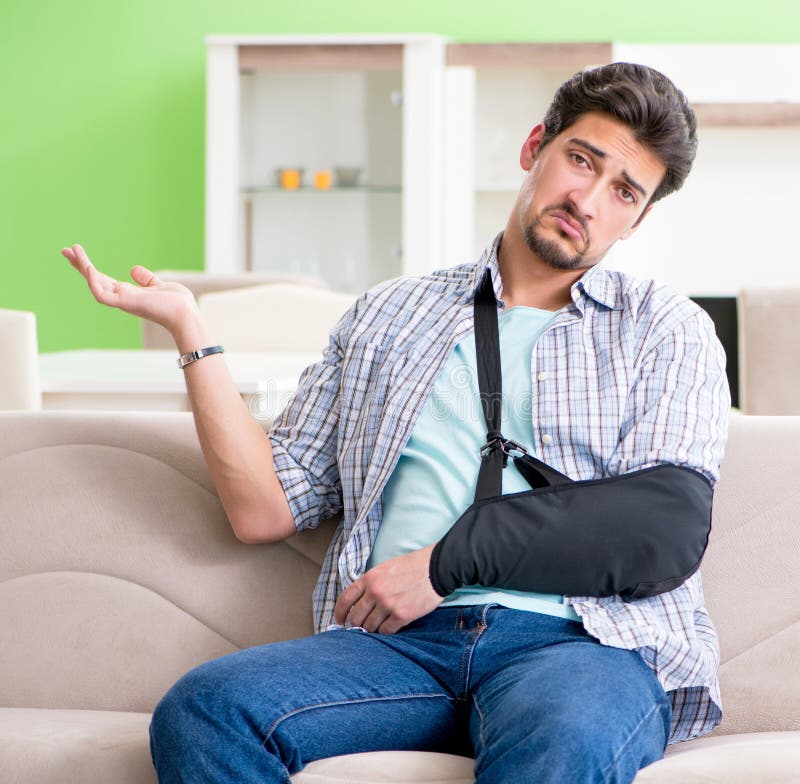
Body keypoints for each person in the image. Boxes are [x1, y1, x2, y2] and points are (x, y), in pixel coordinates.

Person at [63, 62, 730, 783]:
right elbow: (263, 508)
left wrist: (451, 561)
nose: (589, 199)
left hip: (581, 647)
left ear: (639, 217)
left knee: (563, 741)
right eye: (580, 160)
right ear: (535, 145)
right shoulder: (388, 315)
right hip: (397, 646)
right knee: (206, 709)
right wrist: (193, 333)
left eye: (623, 191)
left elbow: (665, 527)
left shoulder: (665, 328)